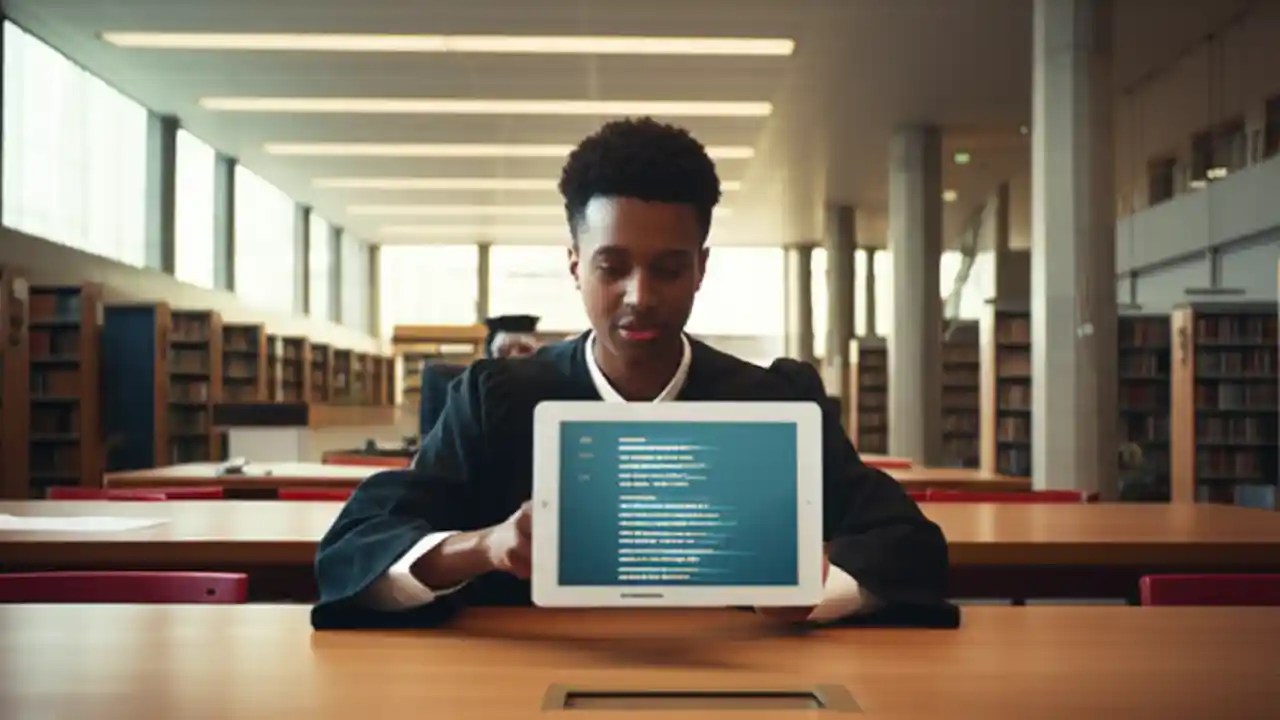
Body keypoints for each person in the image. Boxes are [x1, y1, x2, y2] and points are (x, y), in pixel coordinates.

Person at [313, 118, 952, 629]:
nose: (639, 296)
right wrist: (483, 548)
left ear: (701, 268)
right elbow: (354, 548)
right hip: (519, 690)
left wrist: (815, 585)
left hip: (747, 690)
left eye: (669, 269)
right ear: (574, 265)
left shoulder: (775, 400)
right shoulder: (494, 399)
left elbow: (909, 546)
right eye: (612, 266)